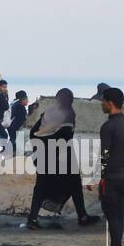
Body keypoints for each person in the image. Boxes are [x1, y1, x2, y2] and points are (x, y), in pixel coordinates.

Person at [25, 88, 97, 229]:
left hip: (43, 156)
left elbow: (33, 133)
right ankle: (82, 216)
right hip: (60, 157)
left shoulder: (47, 114)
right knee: (74, 183)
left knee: (41, 186)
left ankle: (32, 219)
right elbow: (65, 136)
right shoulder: (68, 114)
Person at [97, 87, 124, 246]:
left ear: (110, 103)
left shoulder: (108, 126)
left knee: (112, 215)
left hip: (111, 176)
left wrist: (102, 176)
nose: (101, 104)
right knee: (119, 213)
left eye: (103, 101)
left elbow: (104, 155)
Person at [7, 90, 29, 156]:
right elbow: (21, 119)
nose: (27, 101)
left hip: (10, 125)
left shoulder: (14, 103)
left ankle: (11, 152)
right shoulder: (20, 107)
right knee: (15, 139)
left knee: (13, 139)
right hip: (14, 126)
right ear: (22, 99)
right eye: (26, 99)